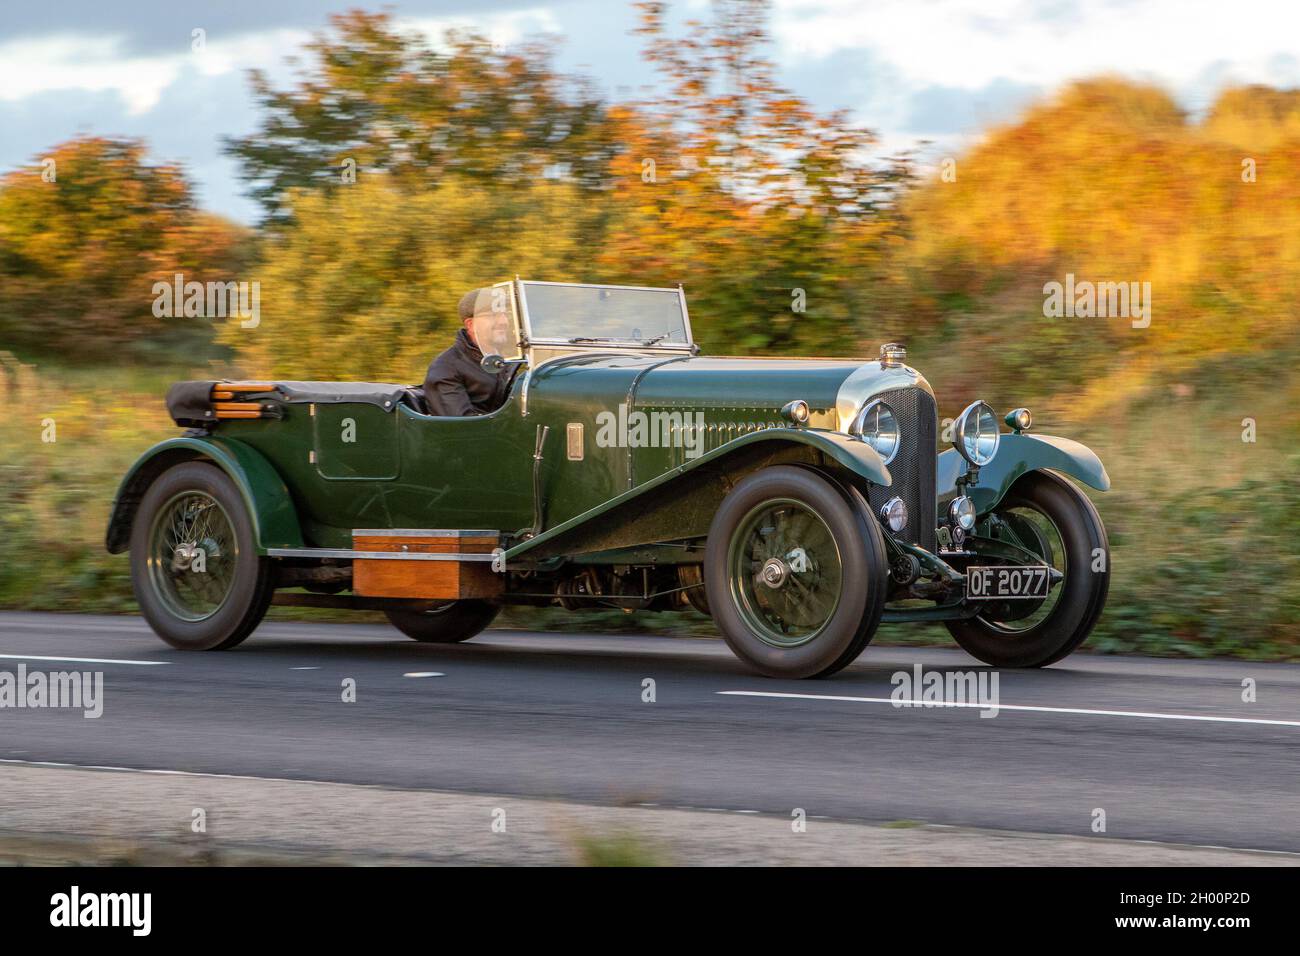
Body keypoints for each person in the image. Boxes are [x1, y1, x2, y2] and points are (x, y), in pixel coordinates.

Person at [422, 288, 514, 417]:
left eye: (505, 314)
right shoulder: (446, 368)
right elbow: (461, 427)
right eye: (493, 315)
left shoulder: (511, 361)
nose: (503, 321)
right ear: (471, 324)